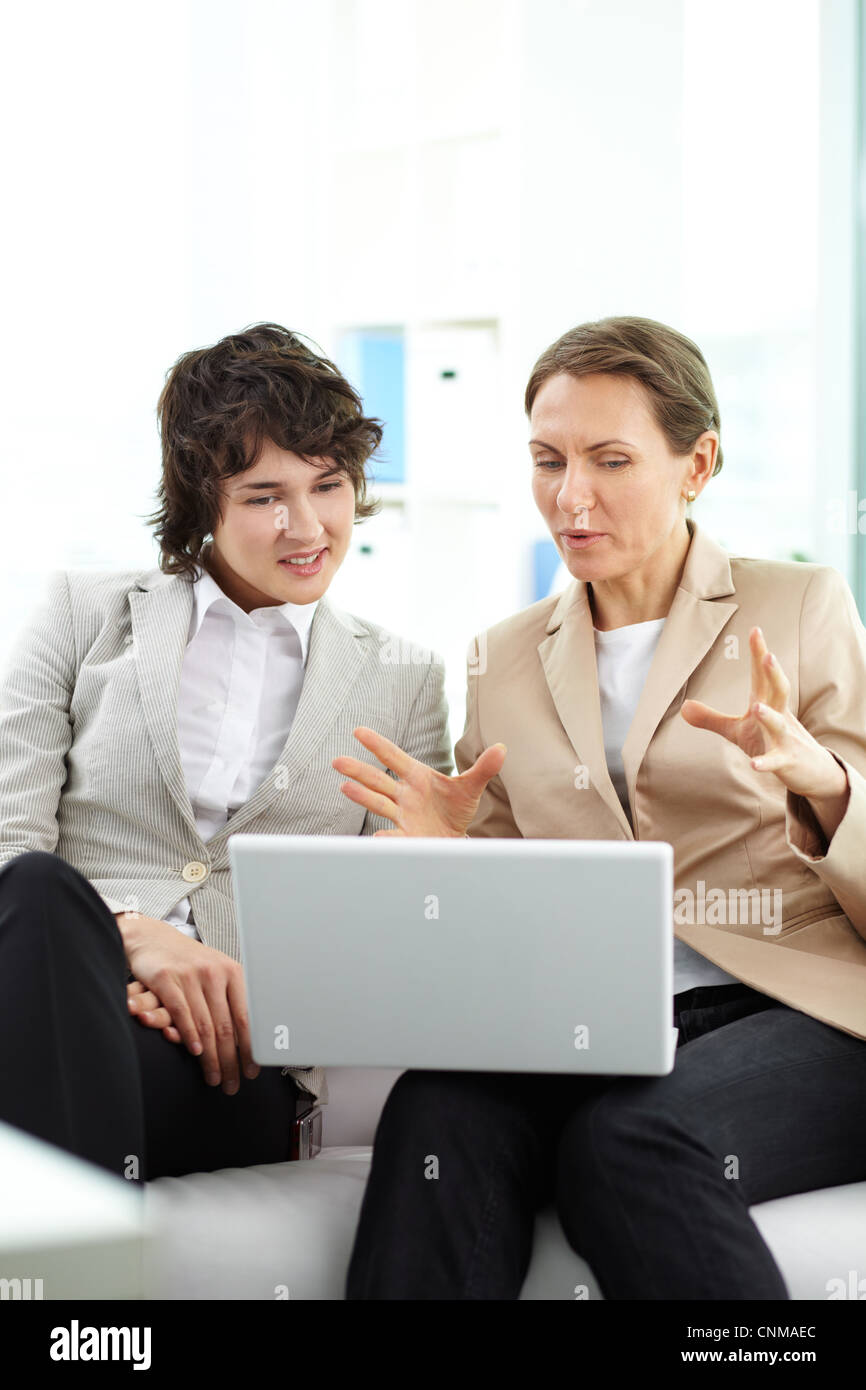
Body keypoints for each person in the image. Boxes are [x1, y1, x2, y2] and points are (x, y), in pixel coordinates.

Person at [337, 315, 866, 1300]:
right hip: (596, 1020)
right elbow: (505, 934)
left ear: (695, 462)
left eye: (610, 460)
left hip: (803, 1010)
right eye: (547, 460)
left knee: (627, 1140)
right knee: (436, 1114)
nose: (568, 497)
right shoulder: (501, 655)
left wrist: (828, 790)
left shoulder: (796, 606)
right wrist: (451, 861)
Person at [0, 322, 486, 1184]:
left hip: (234, 1058)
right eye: (264, 496)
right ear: (202, 499)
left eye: (328, 486)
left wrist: (434, 868)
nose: (308, 527)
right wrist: (127, 941)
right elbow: (8, 848)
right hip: (58, 991)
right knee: (37, 890)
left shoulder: (404, 678)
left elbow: (382, 952)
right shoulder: (81, 616)